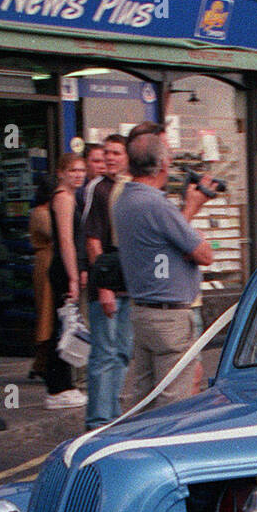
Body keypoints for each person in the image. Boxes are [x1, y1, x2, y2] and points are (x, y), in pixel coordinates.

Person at [113, 131, 213, 411]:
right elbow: (205, 254)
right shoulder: (157, 204)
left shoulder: (125, 200)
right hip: (170, 316)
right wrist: (193, 205)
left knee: (141, 398)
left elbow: (168, 239)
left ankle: (132, 445)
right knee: (174, 400)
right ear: (163, 164)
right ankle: (169, 450)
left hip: (143, 310)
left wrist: (187, 214)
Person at [83, 133, 132, 427]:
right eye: (107, 153)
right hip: (109, 287)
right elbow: (92, 241)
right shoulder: (98, 189)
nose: (111, 158)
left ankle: (113, 416)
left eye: (116, 153)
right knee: (105, 353)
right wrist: (104, 287)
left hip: (130, 285)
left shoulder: (130, 189)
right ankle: (98, 421)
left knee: (123, 353)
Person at [40, 153, 86, 409]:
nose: (78, 175)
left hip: (68, 267)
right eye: (72, 171)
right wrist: (72, 276)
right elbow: (66, 241)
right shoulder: (64, 199)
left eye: (81, 170)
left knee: (67, 325)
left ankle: (64, 385)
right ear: (61, 172)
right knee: (65, 327)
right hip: (62, 268)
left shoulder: (69, 198)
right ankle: (58, 388)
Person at [27, 174, 57, 380]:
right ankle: (43, 363)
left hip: (49, 261)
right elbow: (53, 233)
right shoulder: (41, 213)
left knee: (49, 314)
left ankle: (41, 362)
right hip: (46, 262)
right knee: (46, 313)